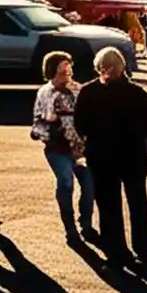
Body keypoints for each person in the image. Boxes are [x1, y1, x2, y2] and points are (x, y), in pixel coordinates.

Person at [73, 47, 147, 272]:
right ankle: (143, 253)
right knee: (138, 204)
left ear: (100, 68)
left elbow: (80, 124)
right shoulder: (137, 93)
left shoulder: (88, 92)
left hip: (102, 156)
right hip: (133, 155)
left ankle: (116, 254)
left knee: (109, 207)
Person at [31, 51, 95, 245]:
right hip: (57, 149)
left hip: (81, 149)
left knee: (90, 186)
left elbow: (89, 118)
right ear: (52, 72)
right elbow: (37, 125)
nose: (67, 75)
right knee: (66, 182)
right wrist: (51, 125)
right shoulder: (45, 92)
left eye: (69, 71)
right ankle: (70, 228)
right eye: (62, 72)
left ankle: (86, 224)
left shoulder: (78, 90)